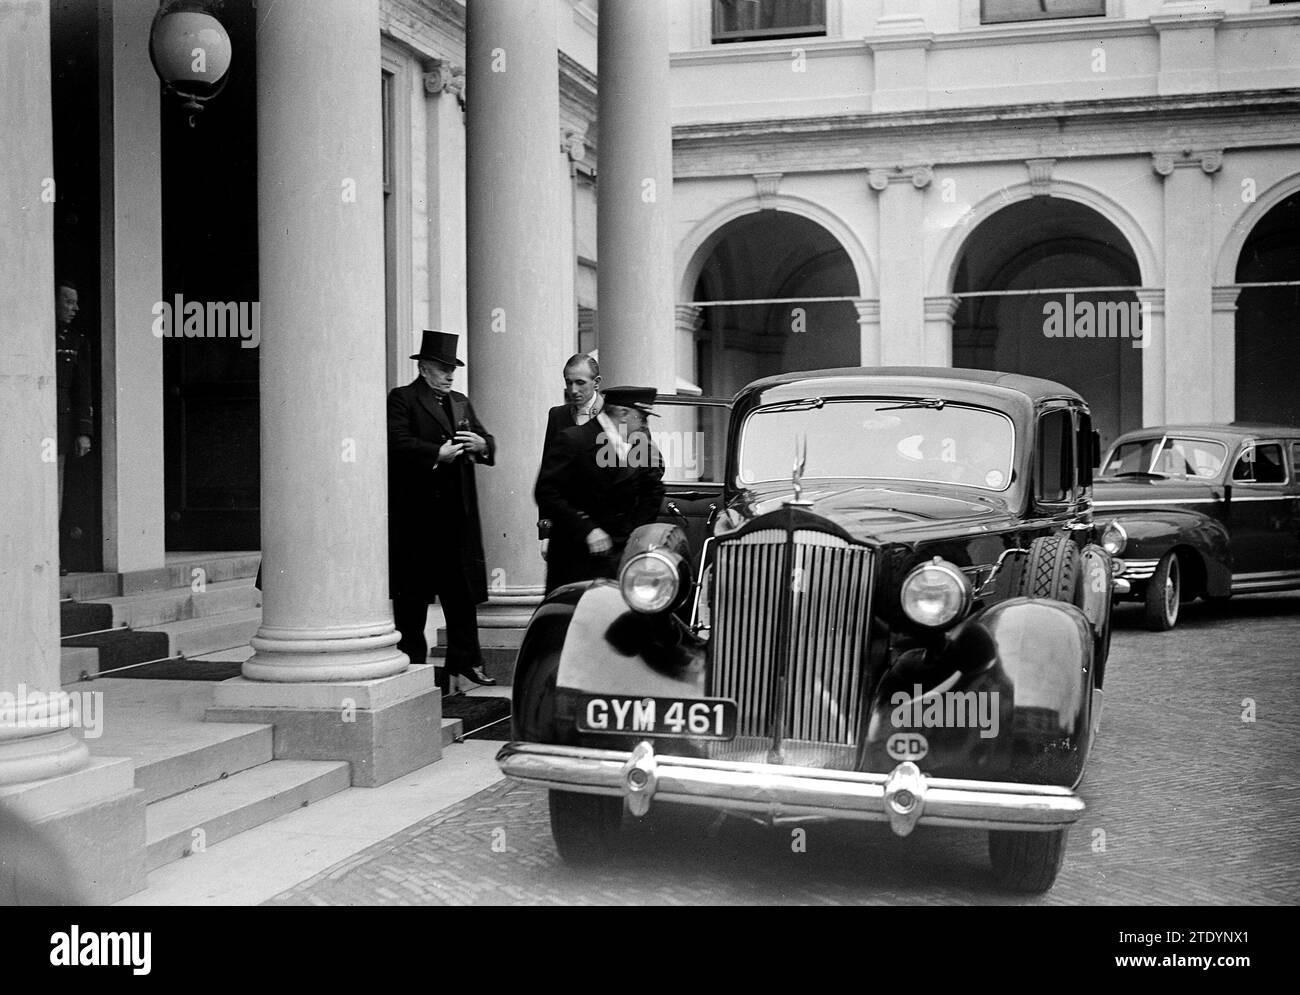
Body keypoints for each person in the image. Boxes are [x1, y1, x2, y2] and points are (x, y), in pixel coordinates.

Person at [387, 330, 497, 690]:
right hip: (418, 519)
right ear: (424, 368)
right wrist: (436, 454)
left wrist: (481, 444)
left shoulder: (461, 402)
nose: (450, 375)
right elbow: (397, 443)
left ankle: (465, 662)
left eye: (452, 368)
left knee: (461, 594)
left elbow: (488, 444)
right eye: (442, 368)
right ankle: (412, 664)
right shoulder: (403, 399)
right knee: (413, 599)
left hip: (458, 518)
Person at [535, 385, 665, 593]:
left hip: (618, 556)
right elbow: (547, 493)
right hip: (576, 557)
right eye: (641, 417)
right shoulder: (573, 440)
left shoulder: (637, 443)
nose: (644, 424)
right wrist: (588, 529)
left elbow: (653, 489)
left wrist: (633, 533)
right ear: (623, 413)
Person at [537, 353, 603, 560]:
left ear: (597, 383)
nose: (573, 390)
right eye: (568, 382)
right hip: (565, 527)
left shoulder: (615, 416)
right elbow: (548, 478)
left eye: (580, 383)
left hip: (604, 529)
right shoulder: (558, 416)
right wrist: (545, 532)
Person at [55, 279, 93, 575]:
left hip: (60, 427)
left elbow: (82, 388)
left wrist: (83, 430)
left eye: (75, 302)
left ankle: (54, 557)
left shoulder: (75, 340)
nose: (74, 308)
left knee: (56, 491)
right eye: (68, 301)